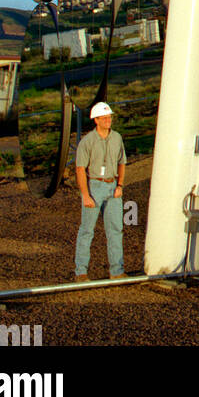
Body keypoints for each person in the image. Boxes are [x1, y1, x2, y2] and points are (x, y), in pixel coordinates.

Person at [74, 100, 126, 281]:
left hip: (113, 187)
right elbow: (80, 169)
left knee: (116, 230)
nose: (107, 120)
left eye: (109, 117)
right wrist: (85, 195)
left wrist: (120, 185)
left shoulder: (117, 138)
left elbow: (122, 162)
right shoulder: (86, 142)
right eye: (104, 118)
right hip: (94, 186)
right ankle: (81, 272)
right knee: (87, 230)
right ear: (95, 120)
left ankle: (117, 271)